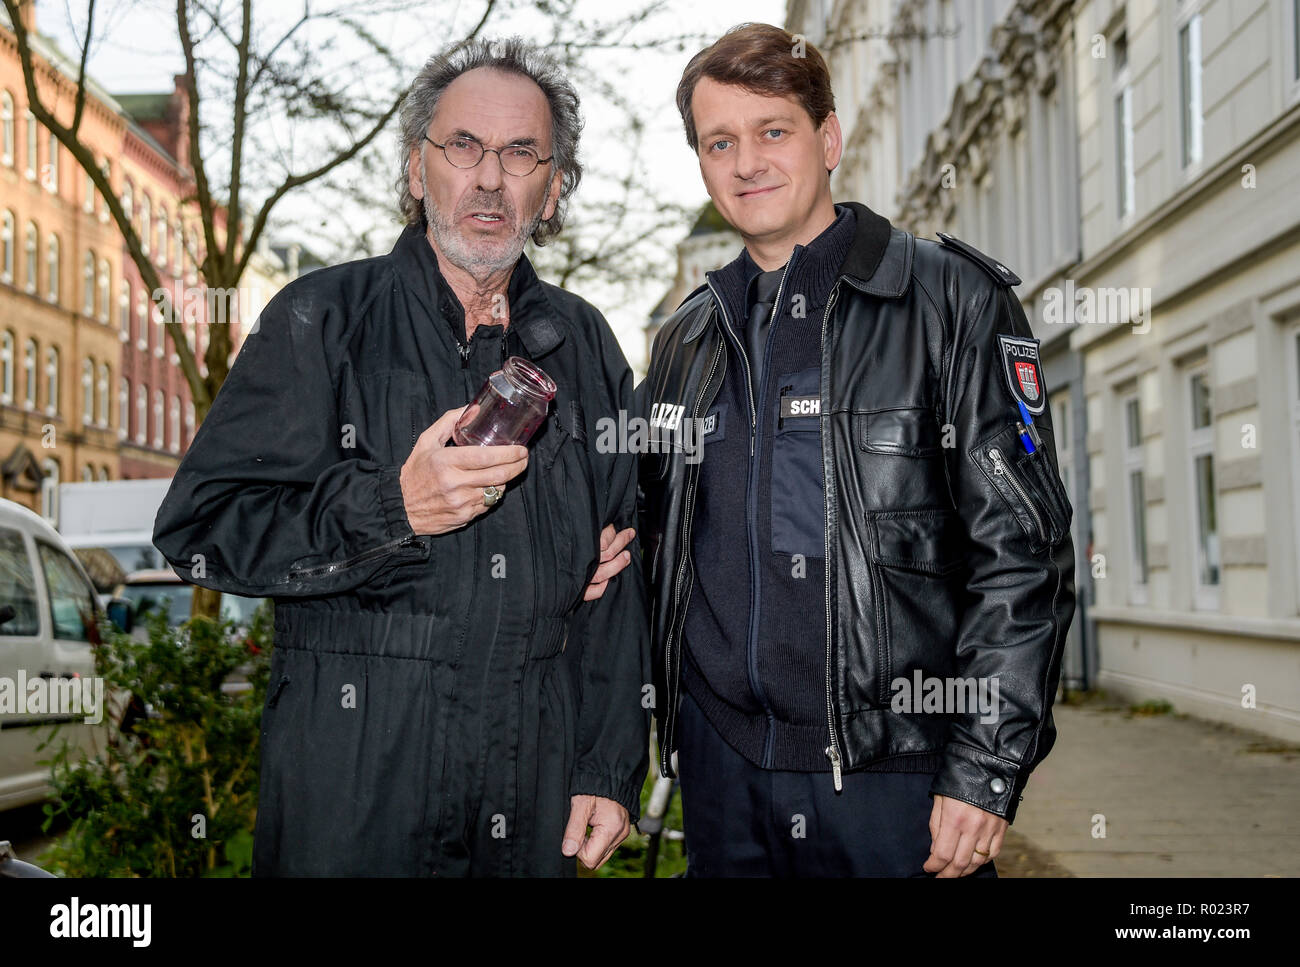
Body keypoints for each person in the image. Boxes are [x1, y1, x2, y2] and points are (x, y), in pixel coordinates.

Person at [153, 37, 648, 877]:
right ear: (418, 171)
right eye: (462, 146)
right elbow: (201, 526)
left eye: (521, 152)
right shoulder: (320, 320)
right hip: (353, 792)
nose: (490, 178)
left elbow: (622, 576)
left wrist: (607, 768)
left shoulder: (585, 345)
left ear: (552, 187)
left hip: (533, 798)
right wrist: (393, 508)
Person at [637, 23, 1076, 877]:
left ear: (828, 139)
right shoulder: (685, 341)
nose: (746, 160)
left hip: (894, 781)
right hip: (724, 779)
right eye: (719, 141)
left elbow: (1024, 554)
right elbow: (655, 545)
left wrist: (986, 768)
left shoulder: (949, 299)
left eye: (774, 131)